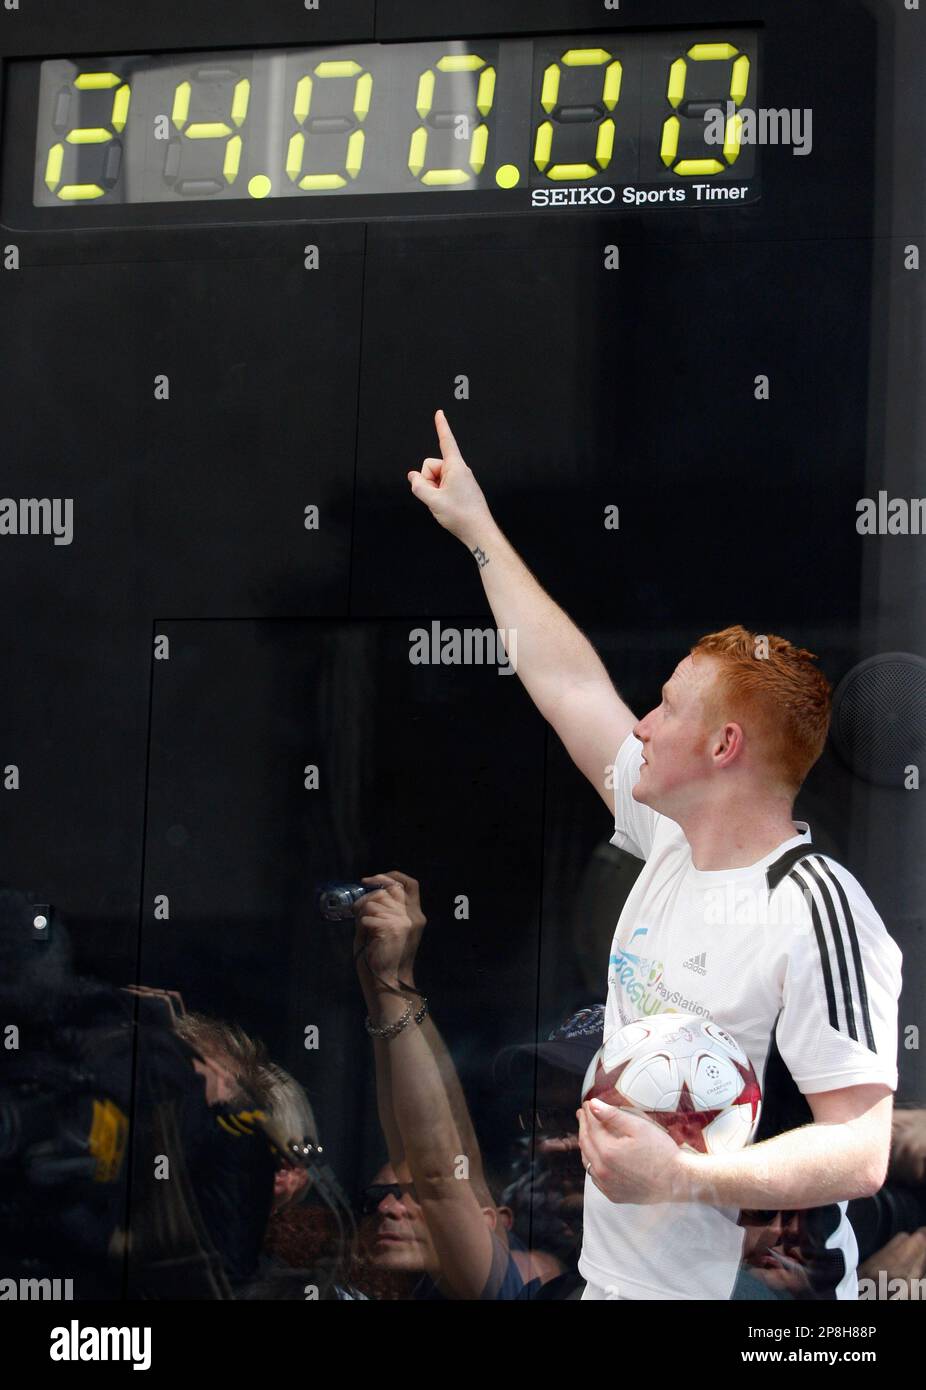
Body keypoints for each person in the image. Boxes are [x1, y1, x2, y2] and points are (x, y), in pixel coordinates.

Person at [407, 410, 903, 1301]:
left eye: (668, 709)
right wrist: (476, 529)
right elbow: (565, 684)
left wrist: (684, 1179)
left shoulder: (816, 907)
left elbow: (862, 1152)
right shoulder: (668, 838)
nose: (641, 723)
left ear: (724, 749)